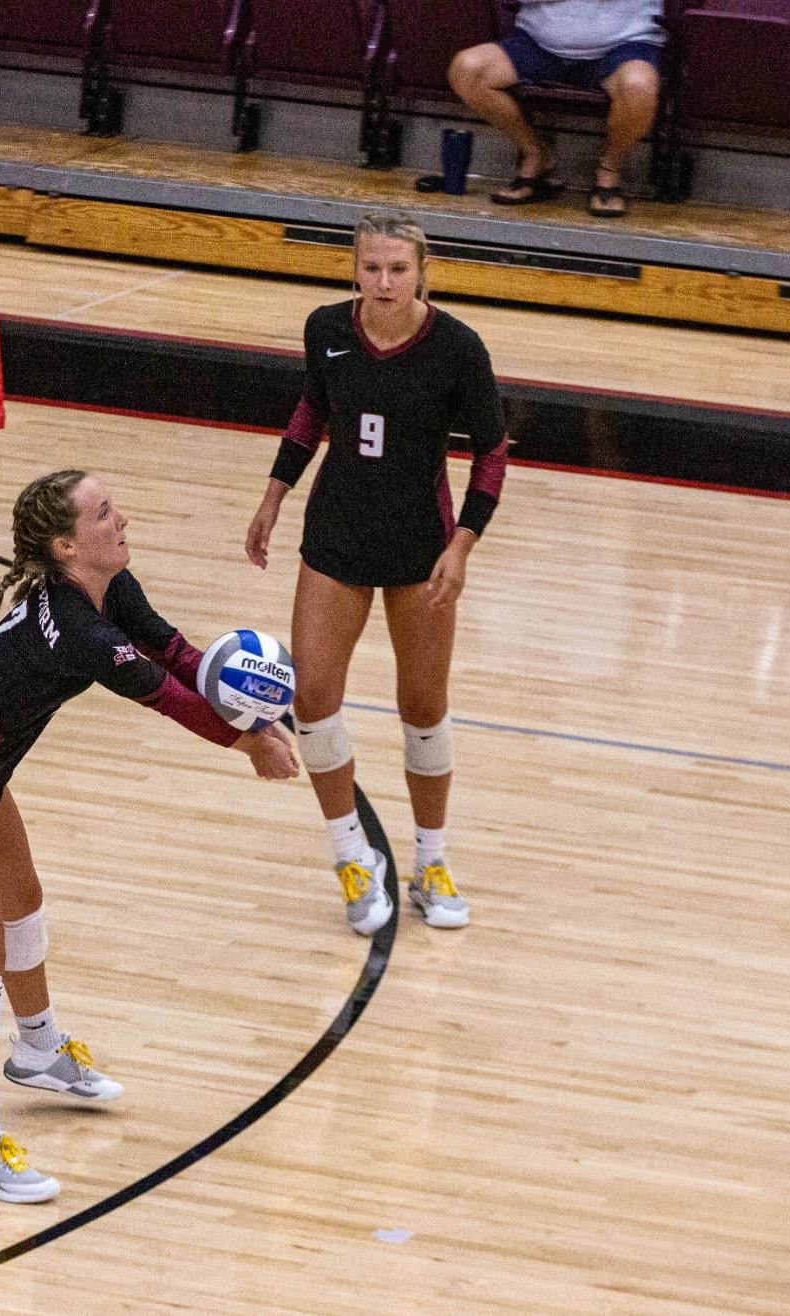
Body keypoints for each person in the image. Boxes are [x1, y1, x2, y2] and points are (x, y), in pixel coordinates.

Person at [0, 470, 299, 1202]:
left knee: (24, 900)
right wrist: (249, 742)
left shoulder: (110, 591)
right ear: (68, 545)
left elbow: (180, 657)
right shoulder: (79, 632)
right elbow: (168, 700)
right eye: (105, 515)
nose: (122, 520)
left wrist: (252, 704)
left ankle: (37, 1049)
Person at [244, 212, 508, 937]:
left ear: (423, 271)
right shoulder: (326, 328)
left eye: (397, 269)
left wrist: (462, 545)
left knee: (423, 706)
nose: (384, 281)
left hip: (421, 546)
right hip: (337, 535)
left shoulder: (458, 348)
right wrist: (274, 495)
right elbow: (312, 412)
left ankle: (431, 861)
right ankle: (351, 857)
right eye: (371, 268)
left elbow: (491, 453)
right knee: (314, 695)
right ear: (353, 270)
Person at [446, 0, 663, 218]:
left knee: (639, 87)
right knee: (466, 69)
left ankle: (610, 167)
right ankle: (535, 152)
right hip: (536, 42)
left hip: (624, 46)